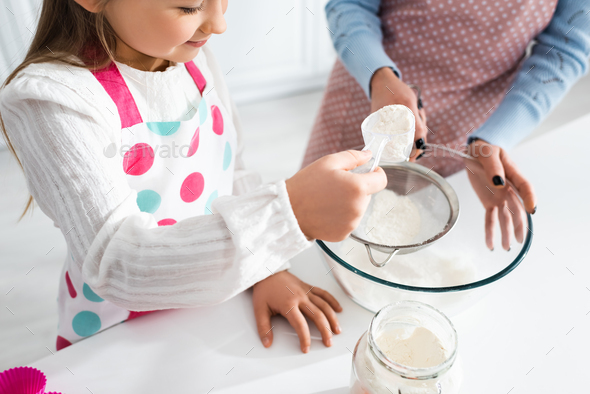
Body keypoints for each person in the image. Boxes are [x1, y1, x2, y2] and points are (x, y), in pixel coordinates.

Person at [0, 0, 387, 353]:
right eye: (189, 8)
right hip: (116, 328)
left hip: (218, 297)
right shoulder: (53, 99)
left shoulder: (192, 60)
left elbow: (232, 169)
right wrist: (290, 214)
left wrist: (267, 266)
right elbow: (116, 264)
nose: (218, 25)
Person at [305, 0, 590, 251]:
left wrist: (493, 137)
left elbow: (565, 48)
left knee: (416, 223)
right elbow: (349, 4)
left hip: (470, 117)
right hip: (374, 89)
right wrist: (378, 76)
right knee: (315, 218)